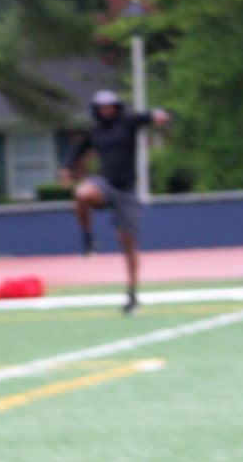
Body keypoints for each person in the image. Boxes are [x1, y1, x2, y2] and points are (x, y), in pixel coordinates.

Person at [58, 89, 171, 314]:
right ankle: (89, 238)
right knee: (81, 194)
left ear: (116, 107)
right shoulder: (96, 132)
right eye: (101, 107)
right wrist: (67, 169)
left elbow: (147, 117)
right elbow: (77, 151)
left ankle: (132, 294)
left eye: (109, 106)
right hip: (105, 185)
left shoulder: (127, 122)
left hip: (126, 191)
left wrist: (158, 115)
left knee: (127, 244)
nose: (106, 110)